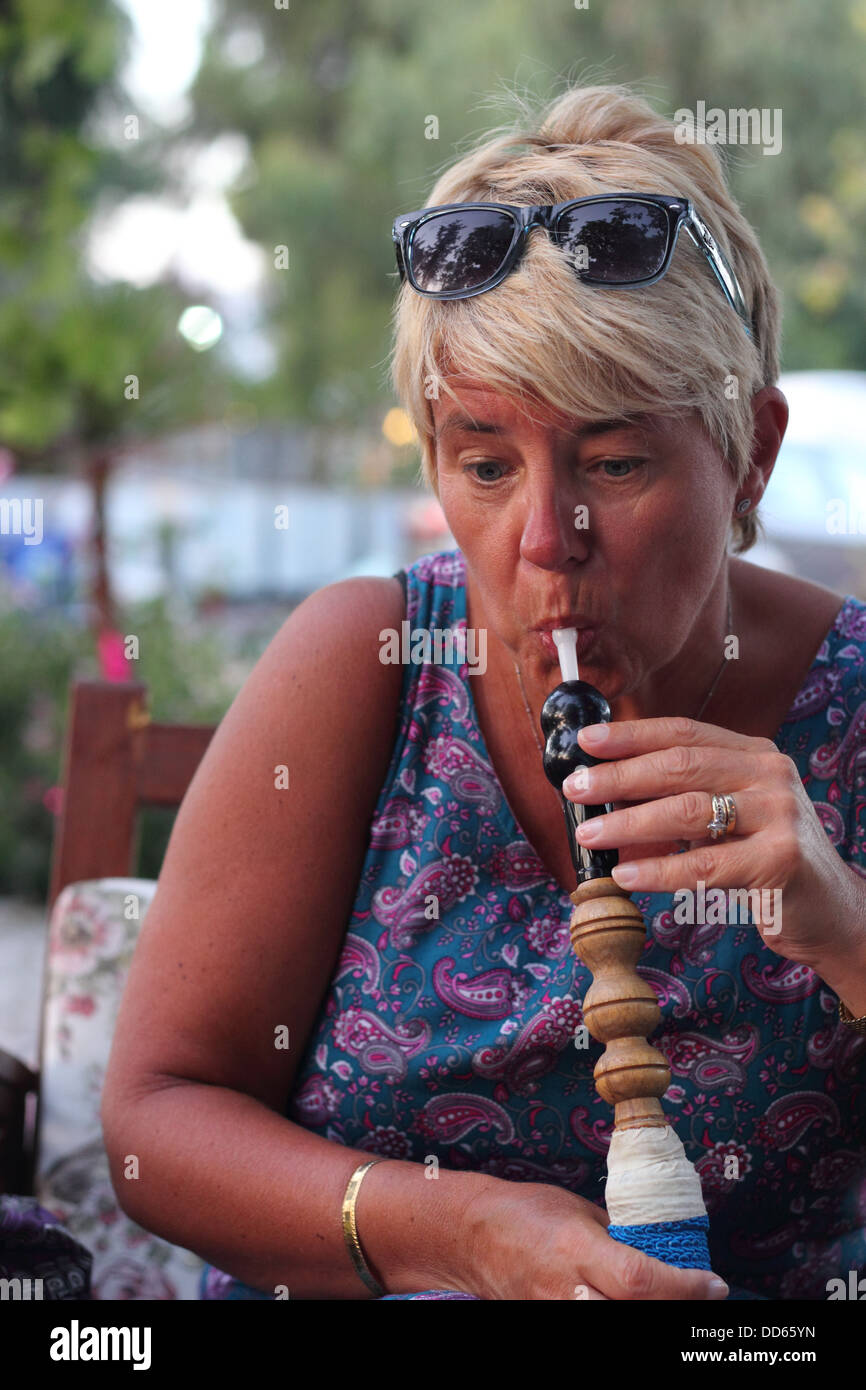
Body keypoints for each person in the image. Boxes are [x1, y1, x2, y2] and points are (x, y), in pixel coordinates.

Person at [102, 82, 866, 1302]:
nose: (543, 539)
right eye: (485, 463)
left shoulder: (854, 701)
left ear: (749, 454)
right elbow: (157, 1122)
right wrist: (457, 1233)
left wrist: (841, 923)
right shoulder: (365, 663)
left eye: (614, 461)